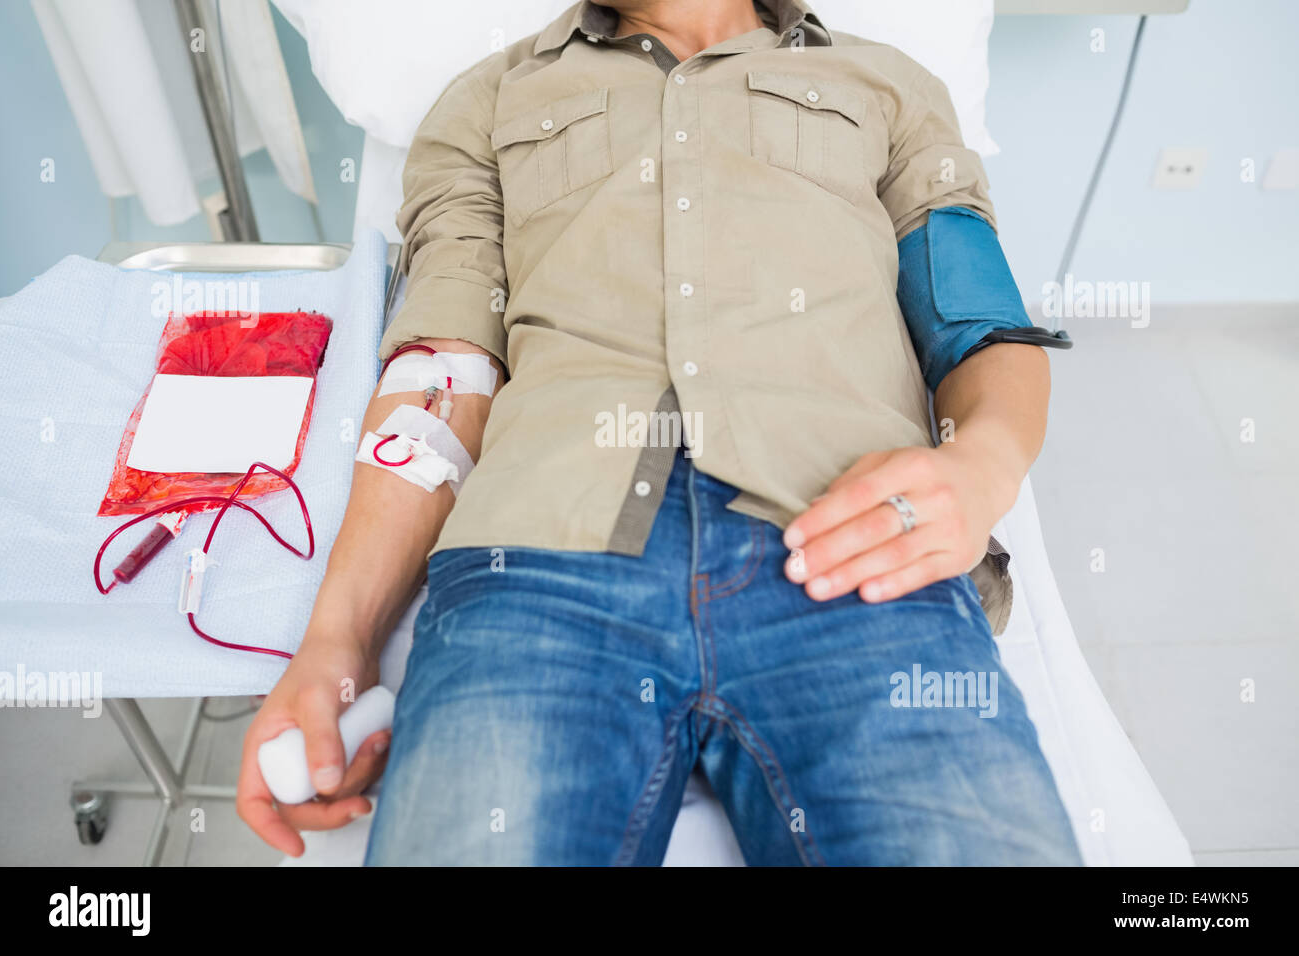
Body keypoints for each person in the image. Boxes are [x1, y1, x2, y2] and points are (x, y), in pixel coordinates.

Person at [236, 0, 1081, 866]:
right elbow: (441, 374)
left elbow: (981, 328)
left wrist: (981, 471)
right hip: (540, 564)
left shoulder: (888, 87)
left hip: (854, 543)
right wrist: (336, 641)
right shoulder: (488, 102)